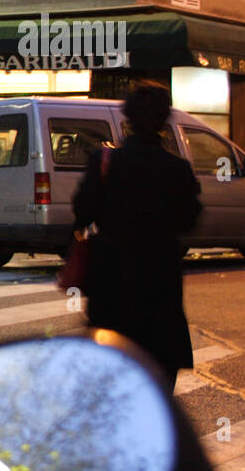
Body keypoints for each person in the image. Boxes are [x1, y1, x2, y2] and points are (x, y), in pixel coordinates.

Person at [72, 81, 202, 392]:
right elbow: (189, 220)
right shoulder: (178, 169)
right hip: (159, 284)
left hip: (112, 283)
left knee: (111, 382)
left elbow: (82, 211)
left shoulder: (105, 162)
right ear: (164, 120)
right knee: (158, 383)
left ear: (127, 118)